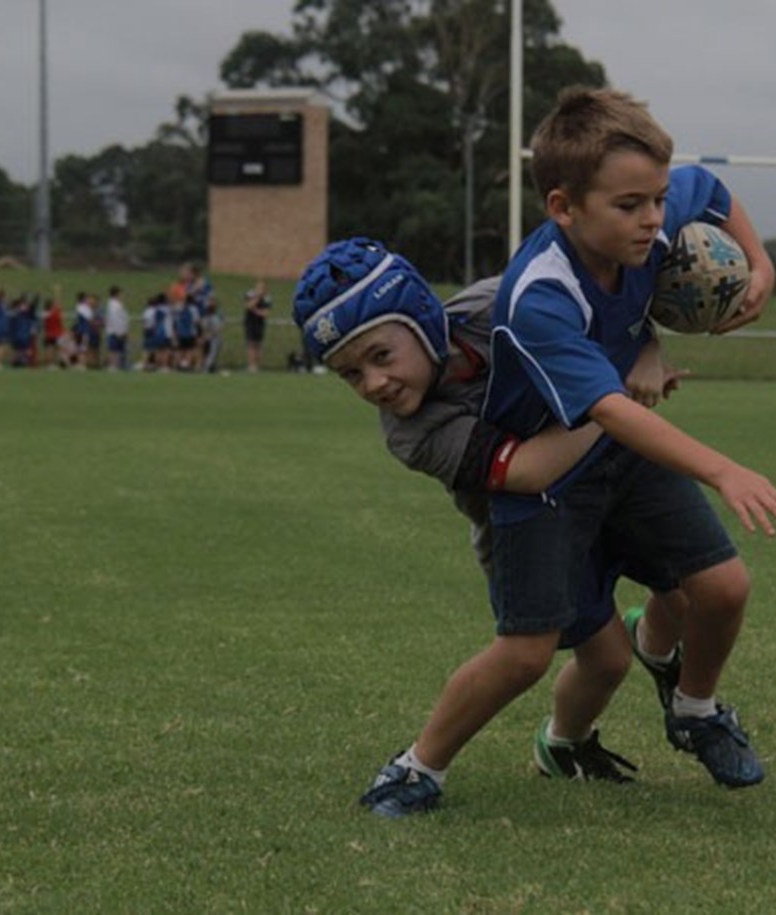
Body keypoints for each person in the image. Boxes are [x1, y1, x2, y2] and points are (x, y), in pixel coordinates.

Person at [293, 239, 690, 817]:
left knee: (686, 591)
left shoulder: (500, 303)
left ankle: (631, 674)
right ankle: (424, 765)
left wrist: (648, 347)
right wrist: (613, 395)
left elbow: (615, 304)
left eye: (381, 355)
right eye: (350, 374)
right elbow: (528, 471)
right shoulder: (411, 433)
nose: (374, 383)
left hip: (606, 485)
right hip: (527, 525)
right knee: (574, 659)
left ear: (423, 319)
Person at [480, 87, 776, 796]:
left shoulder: (650, 209)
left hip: (621, 448)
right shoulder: (539, 295)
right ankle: (428, 762)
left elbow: (709, 190)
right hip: (546, 474)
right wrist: (724, 470)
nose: (654, 220)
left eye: (656, 199)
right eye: (631, 206)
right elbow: (612, 411)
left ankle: (694, 709)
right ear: (564, 207)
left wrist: (761, 264)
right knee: (557, 652)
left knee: (722, 585)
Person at [243, 280, 272, 372]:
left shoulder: (267, 299)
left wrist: (255, 310)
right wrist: (257, 297)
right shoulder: (250, 295)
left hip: (260, 324)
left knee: (258, 344)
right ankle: (251, 366)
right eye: (259, 287)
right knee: (251, 344)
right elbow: (248, 306)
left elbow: (265, 313)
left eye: (262, 288)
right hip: (250, 322)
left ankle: (258, 366)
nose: (260, 290)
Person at [104, 286, 130, 371]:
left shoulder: (118, 304)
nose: (122, 296)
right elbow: (115, 319)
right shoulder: (114, 305)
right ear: (116, 294)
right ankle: (113, 365)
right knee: (114, 349)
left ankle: (117, 365)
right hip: (115, 332)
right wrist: (118, 332)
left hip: (120, 331)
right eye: (120, 294)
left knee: (119, 350)